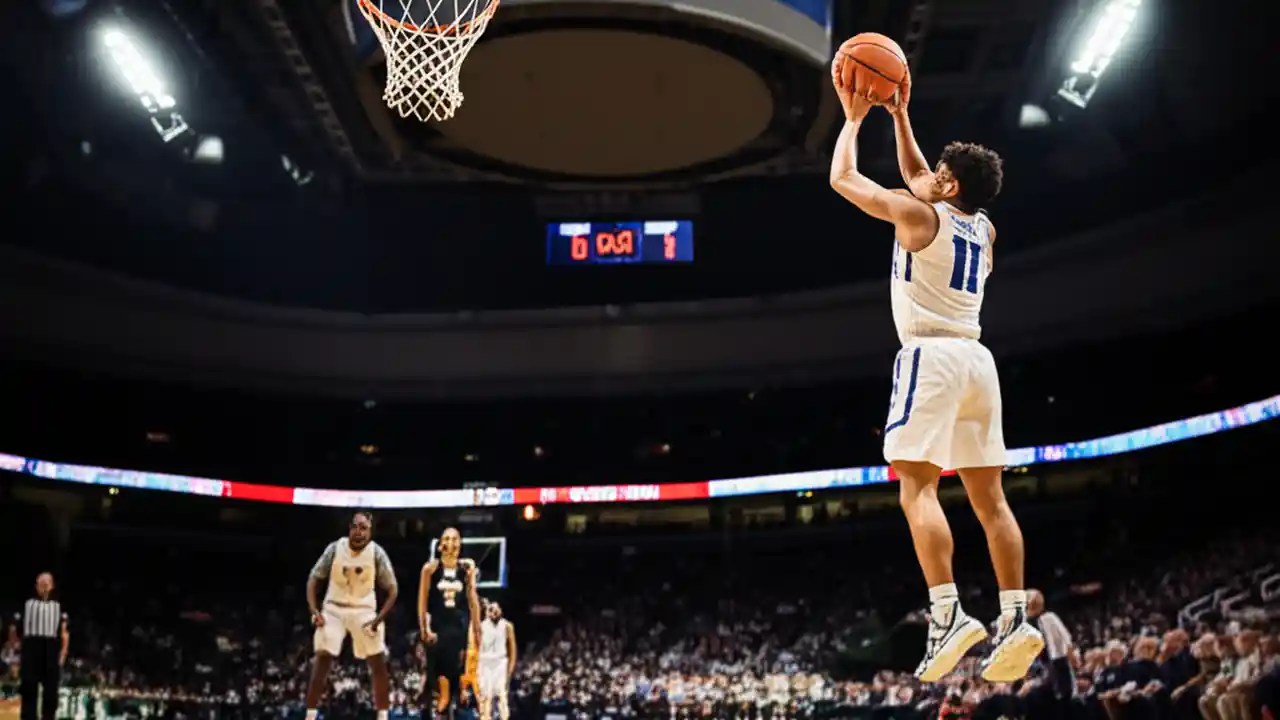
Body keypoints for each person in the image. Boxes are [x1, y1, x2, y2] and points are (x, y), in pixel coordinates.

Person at [827, 56, 1042, 683]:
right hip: (979, 362)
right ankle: (1013, 618)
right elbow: (921, 174)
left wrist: (854, 117)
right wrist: (900, 114)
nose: (930, 174)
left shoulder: (917, 216)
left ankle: (946, 612)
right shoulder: (986, 228)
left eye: (942, 174)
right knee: (989, 498)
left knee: (916, 487)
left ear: (949, 188)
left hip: (931, 356)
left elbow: (844, 178)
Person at [304, 511, 399, 720]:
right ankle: (310, 715)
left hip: (364, 611)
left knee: (378, 660)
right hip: (333, 608)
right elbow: (313, 580)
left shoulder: (377, 553)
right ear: (349, 528)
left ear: (370, 531)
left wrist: (378, 620)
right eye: (356, 527)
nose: (359, 532)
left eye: (364, 528)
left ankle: (383, 716)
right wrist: (315, 612)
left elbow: (393, 590)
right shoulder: (335, 548)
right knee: (323, 656)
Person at [419, 527, 479, 719]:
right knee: (441, 694)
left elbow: (473, 601)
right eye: (447, 539)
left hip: (459, 632)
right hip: (438, 631)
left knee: (460, 692)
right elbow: (422, 602)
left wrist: (477, 629)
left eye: (455, 539)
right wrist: (423, 627)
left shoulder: (466, 569)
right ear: (440, 545)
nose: (451, 543)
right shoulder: (430, 569)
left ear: (460, 544)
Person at [19, 572, 69, 720]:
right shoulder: (27, 603)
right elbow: (15, 629)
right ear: (36, 586)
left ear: (52, 586)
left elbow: (64, 633)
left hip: (50, 647)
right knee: (29, 688)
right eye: (41, 583)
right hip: (31, 646)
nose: (44, 586)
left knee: (51, 692)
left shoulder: (59, 606)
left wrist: (62, 655)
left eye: (47, 583)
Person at [477, 601, 516, 720]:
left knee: (502, 696)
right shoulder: (481, 626)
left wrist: (510, 669)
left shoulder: (507, 626)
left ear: (501, 610)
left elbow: (512, 649)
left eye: (496, 609)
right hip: (485, 663)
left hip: (500, 663)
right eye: (490, 609)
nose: (493, 612)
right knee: (485, 696)